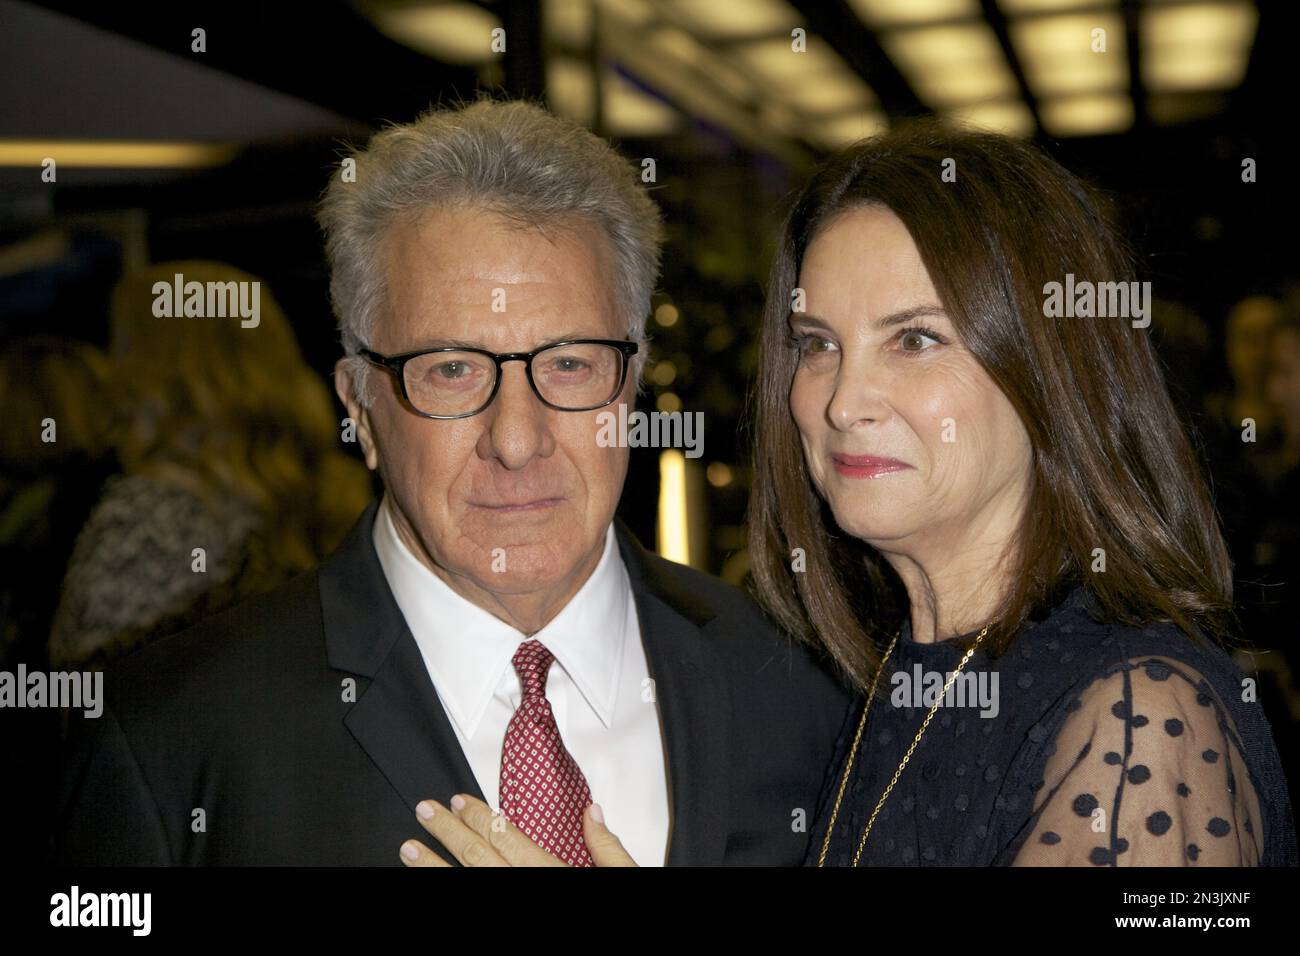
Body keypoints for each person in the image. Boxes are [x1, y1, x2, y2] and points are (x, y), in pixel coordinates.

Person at [417, 120, 1297, 868]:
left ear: (1051, 368)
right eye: (817, 343)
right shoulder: (885, 684)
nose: (842, 400)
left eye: (914, 339)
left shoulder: (1143, 716)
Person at [50, 99, 852, 867]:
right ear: (360, 408)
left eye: (570, 364)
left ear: (632, 382)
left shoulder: (802, 695)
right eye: (452, 370)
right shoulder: (171, 745)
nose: (515, 440)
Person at [48, 261, 373, 670]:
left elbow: (84, 700)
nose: (113, 369)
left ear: (160, 369)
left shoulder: (149, 515)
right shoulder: (336, 489)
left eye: (126, 346)